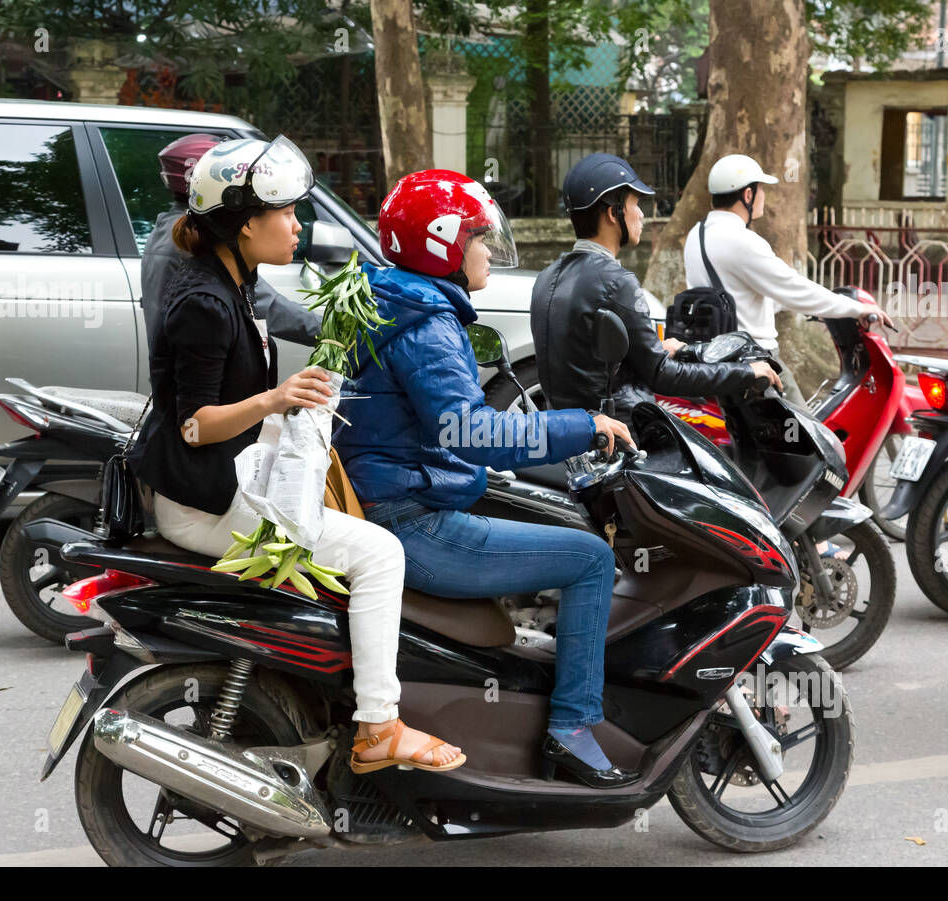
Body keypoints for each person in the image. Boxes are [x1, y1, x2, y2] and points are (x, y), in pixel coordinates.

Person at [127, 138, 463, 773]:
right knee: (381, 552)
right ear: (247, 225)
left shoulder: (235, 280)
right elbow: (195, 427)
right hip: (203, 503)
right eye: (285, 214)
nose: (297, 225)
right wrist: (275, 399)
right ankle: (378, 726)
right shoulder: (203, 302)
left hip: (223, 483)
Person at [335, 168, 639, 789]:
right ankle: (573, 728)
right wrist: (586, 425)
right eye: (479, 237)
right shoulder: (425, 324)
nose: (490, 251)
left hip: (393, 493)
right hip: (410, 518)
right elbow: (469, 432)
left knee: (553, 518)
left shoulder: (387, 297)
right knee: (587, 559)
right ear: (444, 244)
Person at [531, 152, 781, 424]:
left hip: (568, 430)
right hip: (620, 436)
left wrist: (656, 348)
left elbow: (587, 361)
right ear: (613, 213)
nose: (641, 215)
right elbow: (662, 376)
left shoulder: (546, 277)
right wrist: (745, 372)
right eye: (636, 204)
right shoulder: (616, 281)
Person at [685, 153, 889, 403]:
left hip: (713, 357)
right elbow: (796, 288)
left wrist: (784, 305)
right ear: (747, 195)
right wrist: (856, 309)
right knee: (806, 433)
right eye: (761, 190)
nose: (764, 197)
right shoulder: (743, 241)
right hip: (753, 360)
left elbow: (734, 294)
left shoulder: (698, 233)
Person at [142, 133, 321, 351]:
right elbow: (270, 307)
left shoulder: (171, 230)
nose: (297, 225)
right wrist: (342, 333)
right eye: (286, 213)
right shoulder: (197, 254)